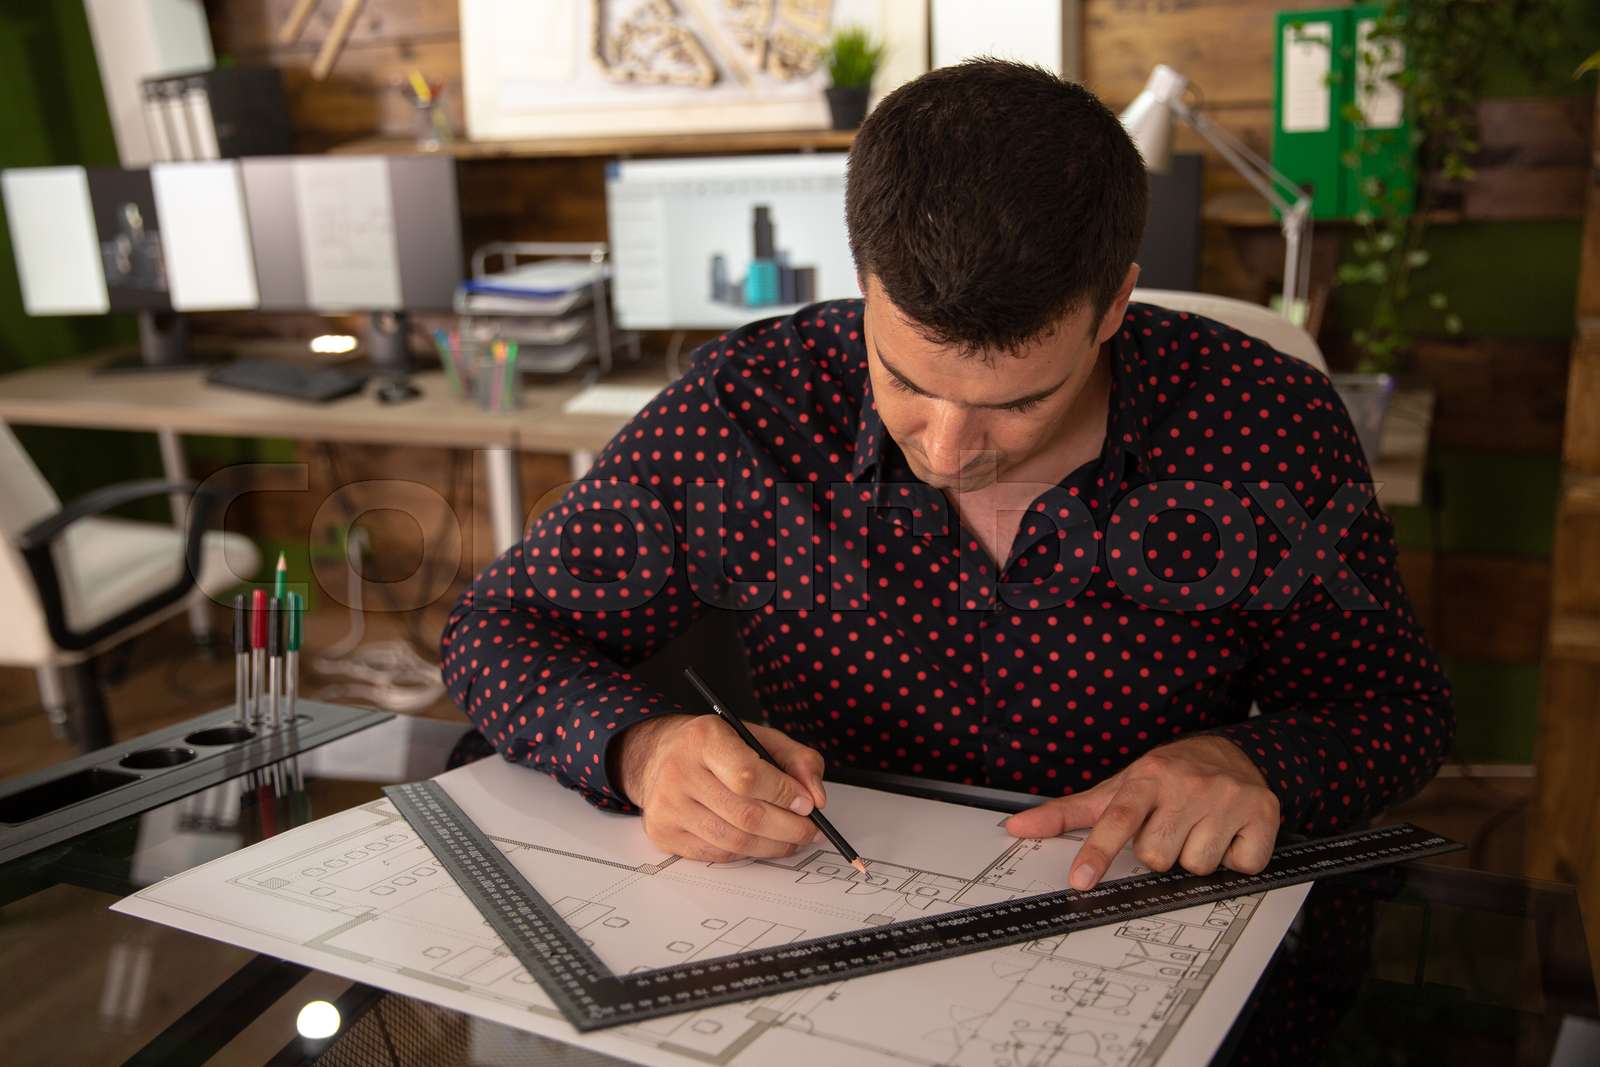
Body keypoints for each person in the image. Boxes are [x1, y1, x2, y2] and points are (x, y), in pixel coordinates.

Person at [441, 60, 1453, 891]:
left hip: (1140, 909)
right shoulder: (753, 405)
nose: (947, 446)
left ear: (1112, 308)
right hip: (822, 900)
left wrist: (1252, 762)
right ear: (863, 282)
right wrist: (641, 747)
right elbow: (496, 629)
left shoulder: (1262, 423)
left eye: (1019, 400)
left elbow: (1396, 712)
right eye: (905, 380)